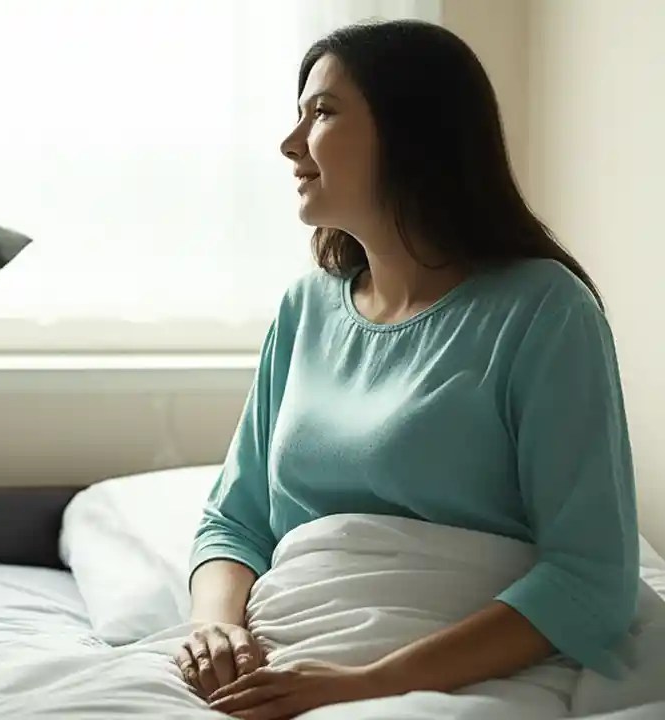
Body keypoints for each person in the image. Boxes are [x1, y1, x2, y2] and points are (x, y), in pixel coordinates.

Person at [176, 18, 639, 719]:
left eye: (322, 113)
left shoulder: (543, 310)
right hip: (279, 658)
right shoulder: (307, 308)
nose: (290, 143)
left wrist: (366, 684)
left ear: (413, 133)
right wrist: (215, 629)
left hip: (437, 672)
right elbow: (232, 523)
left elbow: (591, 580)